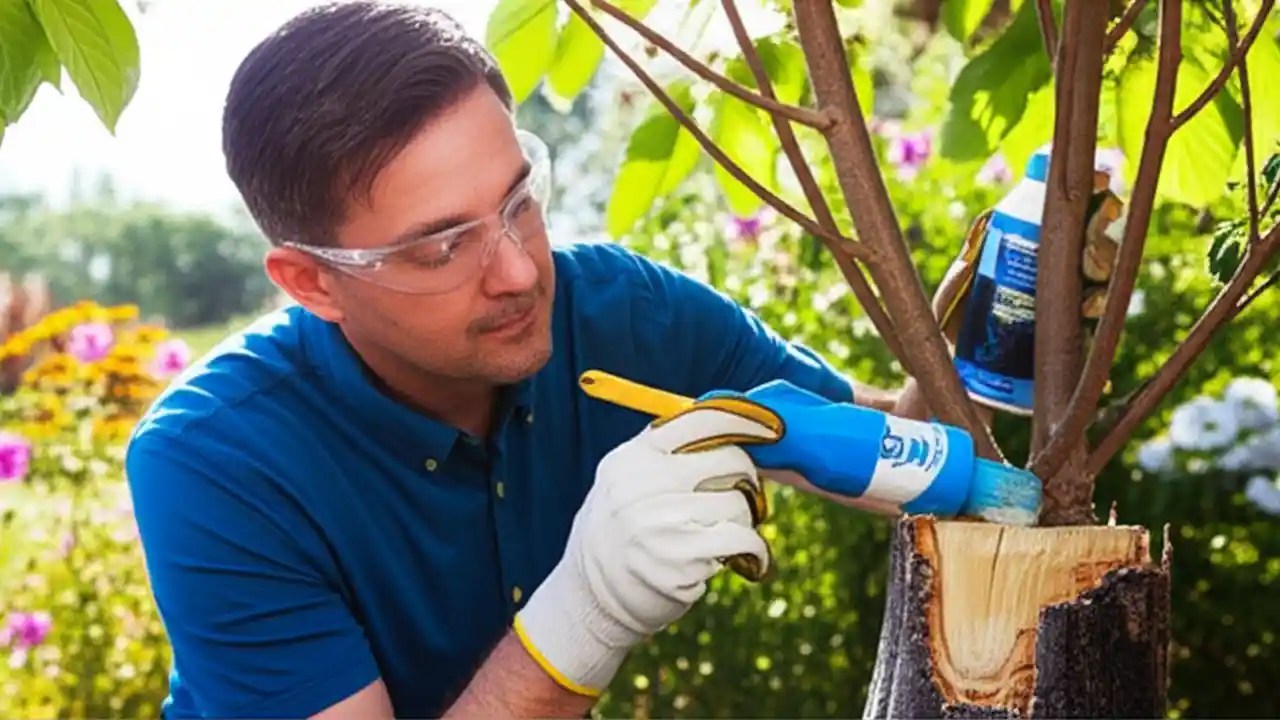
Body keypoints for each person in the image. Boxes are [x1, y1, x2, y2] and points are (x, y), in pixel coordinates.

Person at [123, 2, 904, 717]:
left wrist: (1007, 319)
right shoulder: (214, 461)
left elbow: (897, 449)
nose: (522, 273)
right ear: (314, 282)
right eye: (443, 246)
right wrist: (588, 614)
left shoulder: (623, 313)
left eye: (519, 202)